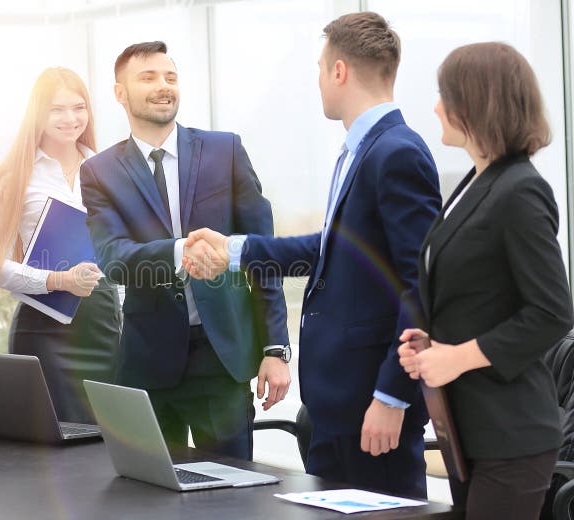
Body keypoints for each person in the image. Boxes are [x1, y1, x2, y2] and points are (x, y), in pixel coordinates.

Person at [185, 12, 440, 495]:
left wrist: (393, 395)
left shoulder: (396, 152)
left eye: (321, 69)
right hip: (336, 403)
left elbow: (422, 284)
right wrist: (234, 249)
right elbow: (331, 251)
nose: (319, 81)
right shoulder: (361, 150)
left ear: (339, 71)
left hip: (371, 403)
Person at [79, 41, 290, 461]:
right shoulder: (99, 172)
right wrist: (181, 252)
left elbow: (262, 254)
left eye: (170, 77)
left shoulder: (225, 150)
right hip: (148, 364)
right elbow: (114, 258)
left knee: (234, 487)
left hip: (222, 359)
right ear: (120, 93)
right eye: (148, 77)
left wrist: (275, 349)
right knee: (151, 488)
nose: (163, 86)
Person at [398, 42, 574, 518]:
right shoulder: (476, 182)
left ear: (476, 102)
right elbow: (475, 297)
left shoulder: (520, 189)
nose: (436, 107)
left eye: (445, 95)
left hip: (512, 433)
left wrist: (455, 358)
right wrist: (431, 345)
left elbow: (553, 312)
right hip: (468, 428)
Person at [0, 67, 121, 424]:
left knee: (104, 441)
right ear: (37, 114)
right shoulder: (15, 176)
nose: (70, 119)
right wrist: (60, 281)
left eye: (79, 107)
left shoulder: (111, 171)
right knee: (52, 445)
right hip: (44, 329)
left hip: (103, 325)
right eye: (57, 109)